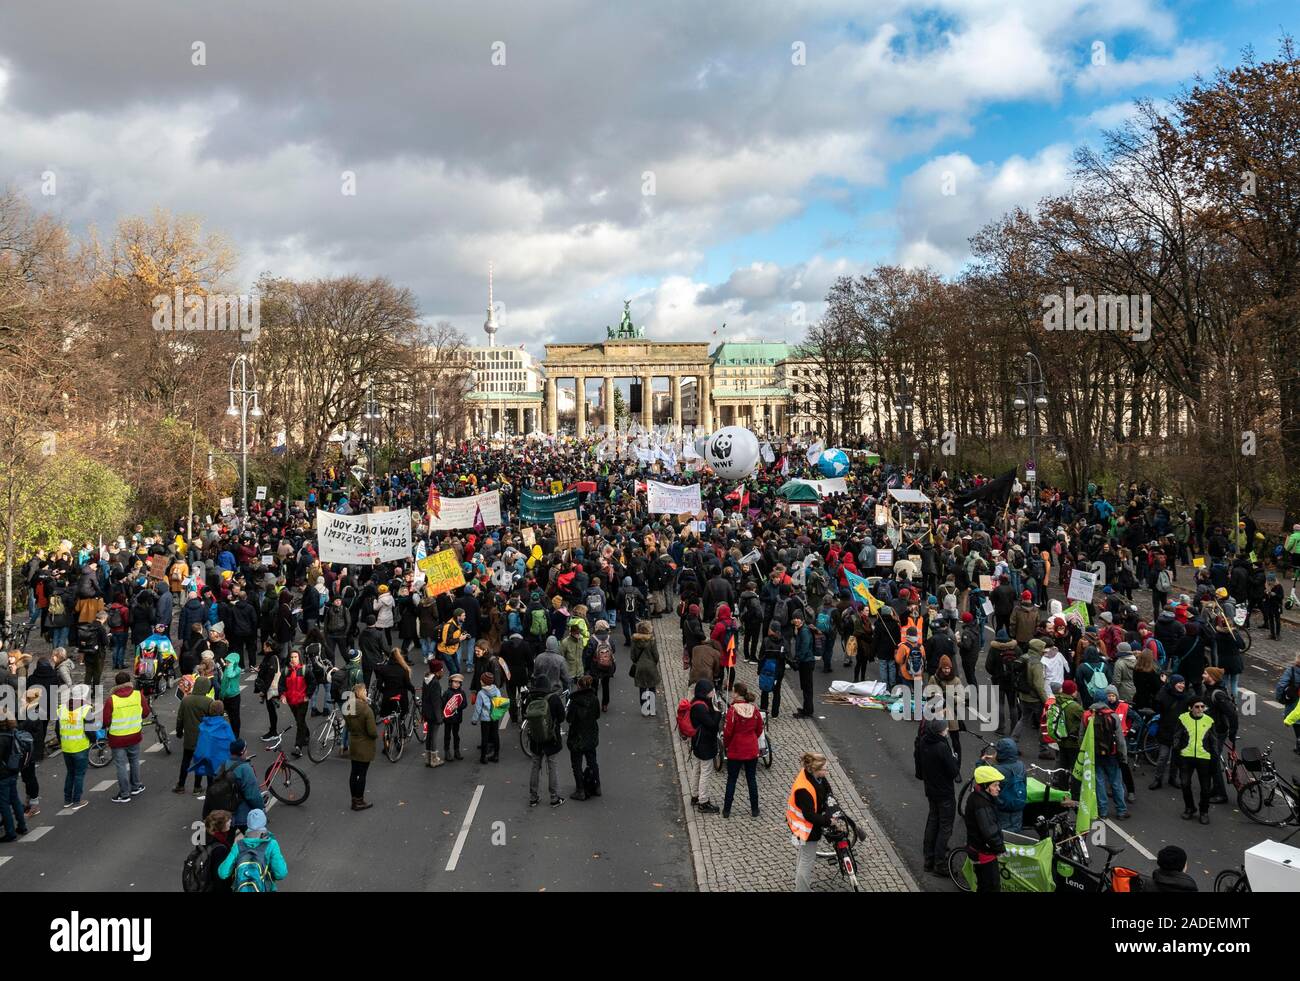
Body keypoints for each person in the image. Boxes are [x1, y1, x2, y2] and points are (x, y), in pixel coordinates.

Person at [101, 670, 150, 803]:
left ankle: (124, 793)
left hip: (117, 738)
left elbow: (105, 721)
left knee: (121, 765)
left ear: (116, 684)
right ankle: (136, 786)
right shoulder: (137, 695)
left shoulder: (112, 699)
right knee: (134, 761)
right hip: (134, 735)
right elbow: (146, 712)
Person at [918, 717, 959, 875]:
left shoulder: (924, 742)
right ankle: (940, 864)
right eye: (946, 729)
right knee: (945, 828)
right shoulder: (942, 747)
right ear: (941, 731)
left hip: (931, 790)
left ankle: (928, 859)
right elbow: (953, 771)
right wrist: (954, 759)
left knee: (932, 823)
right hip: (945, 793)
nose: (947, 731)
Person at [788, 752, 834, 892]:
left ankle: (799, 884)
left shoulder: (813, 775)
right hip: (805, 828)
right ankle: (801, 889)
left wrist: (830, 800)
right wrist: (828, 821)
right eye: (825, 769)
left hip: (801, 824)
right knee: (807, 859)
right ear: (816, 769)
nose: (827, 771)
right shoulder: (804, 789)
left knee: (803, 855)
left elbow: (826, 788)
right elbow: (809, 815)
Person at [218, 807, 288, 892]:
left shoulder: (238, 845)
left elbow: (222, 873)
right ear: (264, 822)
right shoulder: (271, 844)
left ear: (248, 824)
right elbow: (281, 873)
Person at [524, 670, 566, 807]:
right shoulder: (553, 698)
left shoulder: (530, 697)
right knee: (552, 765)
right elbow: (561, 717)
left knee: (535, 765)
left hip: (535, 738)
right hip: (551, 738)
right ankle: (554, 797)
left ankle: (533, 796)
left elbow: (526, 714)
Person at [720, 682, 762, 819]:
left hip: (736, 749)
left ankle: (727, 810)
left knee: (732, 779)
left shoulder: (733, 710)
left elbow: (727, 732)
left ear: (737, 693)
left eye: (733, 691)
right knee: (751, 779)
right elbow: (759, 728)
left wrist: (726, 745)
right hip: (751, 749)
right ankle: (755, 809)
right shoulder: (754, 709)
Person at [207, 739, 264, 833]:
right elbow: (252, 795)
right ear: (242, 751)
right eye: (246, 749)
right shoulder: (245, 769)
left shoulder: (224, 764)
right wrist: (260, 809)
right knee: (254, 840)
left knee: (227, 842)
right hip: (241, 814)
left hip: (225, 813)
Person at [964, 766, 1007, 892]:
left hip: (977, 848)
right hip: (984, 852)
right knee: (991, 886)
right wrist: (1000, 848)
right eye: (995, 785)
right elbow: (990, 831)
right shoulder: (982, 804)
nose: (998, 788)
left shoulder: (977, 796)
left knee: (983, 884)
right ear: (985, 786)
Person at [1174, 695, 1216, 824]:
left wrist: (1214, 758)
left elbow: (1214, 741)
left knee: (1205, 788)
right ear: (1190, 708)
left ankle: (1204, 811)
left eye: (1202, 706)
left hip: (1204, 758)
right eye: (1197, 707)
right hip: (1186, 757)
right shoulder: (1183, 719)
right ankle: (1190, 808)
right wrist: (1177, 752)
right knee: (1185, 784)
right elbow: (1177, 736)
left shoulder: (1209, 721)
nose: (1200, 709)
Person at [1151, 674, 1191, 789]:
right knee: (1163, 757)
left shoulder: (1186, 697)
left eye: (1183, 683)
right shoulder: (1164, 694)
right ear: (1173, 683)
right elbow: (1156, 704)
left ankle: (1172, 778)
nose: (1182, 685)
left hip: (1180, 733)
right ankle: (1158, 779)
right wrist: (1163, 687)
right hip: (1165, 730)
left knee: (1176, 758)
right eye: (1179, 683)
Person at [58, 684, 93, 811]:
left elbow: (57, 729)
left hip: (66, 747)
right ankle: (77, 800)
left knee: (70, 773)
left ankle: (67, 800)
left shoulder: (62, 708)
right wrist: (94, 741)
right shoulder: (86, 709)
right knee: (79, 774)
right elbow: (90, 729)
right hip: (80, 747)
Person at [688, 679, 722, 813]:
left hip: (697, 743)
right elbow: (712, 724)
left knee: (696, 769)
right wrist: (717, 711)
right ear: (705, 692)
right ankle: (703, 801)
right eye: (711, 691)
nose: (713, 693)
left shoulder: (696, 702)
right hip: (704, 744)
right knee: (705, 772)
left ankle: (694, 795)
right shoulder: (700, 707)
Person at [566, 674, 600, 800]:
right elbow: (597, 715)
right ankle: (597, 786)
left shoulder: (575, 701)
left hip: (577, 737)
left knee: (576, 764)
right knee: (592, 761)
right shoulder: (594, 699)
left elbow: (569, 719)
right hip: (590, 734)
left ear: (579, 686)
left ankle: (580, 790)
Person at [344, 683, 377, 810]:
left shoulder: (347, 707)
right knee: (362, 774)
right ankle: (360, 800)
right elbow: (372, 731)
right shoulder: (367, 710)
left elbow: (347, 725)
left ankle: (353, 799)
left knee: (354, 772)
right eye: (365, 691)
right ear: (360, 693)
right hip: (365, 745)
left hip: (354, 743)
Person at [0, 714, 30, 841]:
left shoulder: (1, 738)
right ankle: (22, 826)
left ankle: (10, 833)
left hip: (2, 775)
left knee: (3, 805)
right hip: (13, 771)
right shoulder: (12, 732)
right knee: (15, 800)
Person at [630, 620, 660, 717]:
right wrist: (654, 662)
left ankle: (644, 709)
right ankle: (652, 709)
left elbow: (633, 656)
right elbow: (656, 655)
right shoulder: (651, 640)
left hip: (640, 667)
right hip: (651, 667)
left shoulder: (635, 640)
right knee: (652, 688)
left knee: (642, 688)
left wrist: (636, 662)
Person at [472, 670, 502, 763]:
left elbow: (478, 708)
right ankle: (496, 755)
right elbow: (499, 702)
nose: (480, 681)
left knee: (485, 737)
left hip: (485, 718)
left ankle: (483, 757)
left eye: (481, 680)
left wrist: (474, 720)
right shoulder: (496, 690)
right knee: (495, 735)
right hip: (495, 716)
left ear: (484, 682)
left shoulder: (481, 693)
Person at [791, 613, 817, 718]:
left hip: (806, 662)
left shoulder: (804, 631)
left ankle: (808, 711)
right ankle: (807, 708)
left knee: (807, 687)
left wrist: (798, 659)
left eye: (798, 618)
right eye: (794, 618)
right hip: (805, 661)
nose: (796, 620)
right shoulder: (801, 630)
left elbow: (805, 647)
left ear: (802, 620)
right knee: (806, 687)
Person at [421, 657, 445, 767]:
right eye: (441, 669)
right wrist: (439, 717)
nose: (443, 671)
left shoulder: (426, 679)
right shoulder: (435, 683)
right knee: (434, 736)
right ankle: (434, 760)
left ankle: (428, 758)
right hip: (434, 714)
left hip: (427, 712)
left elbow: (424, 697)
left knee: (429, 736)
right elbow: (436, 702)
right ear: (437, 671)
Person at [442, 673, 466, 762]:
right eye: (455, 682)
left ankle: (457, 751)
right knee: (447, 735)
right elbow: (443, 704)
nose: (457, 684)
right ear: (450, 682)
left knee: (456, 735)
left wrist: (458, 707)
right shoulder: (447, 693)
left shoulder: (462, 693)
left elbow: (465, 704)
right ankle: (447, 752)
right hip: (448, 719)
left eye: (459, 683)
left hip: (457, 718)